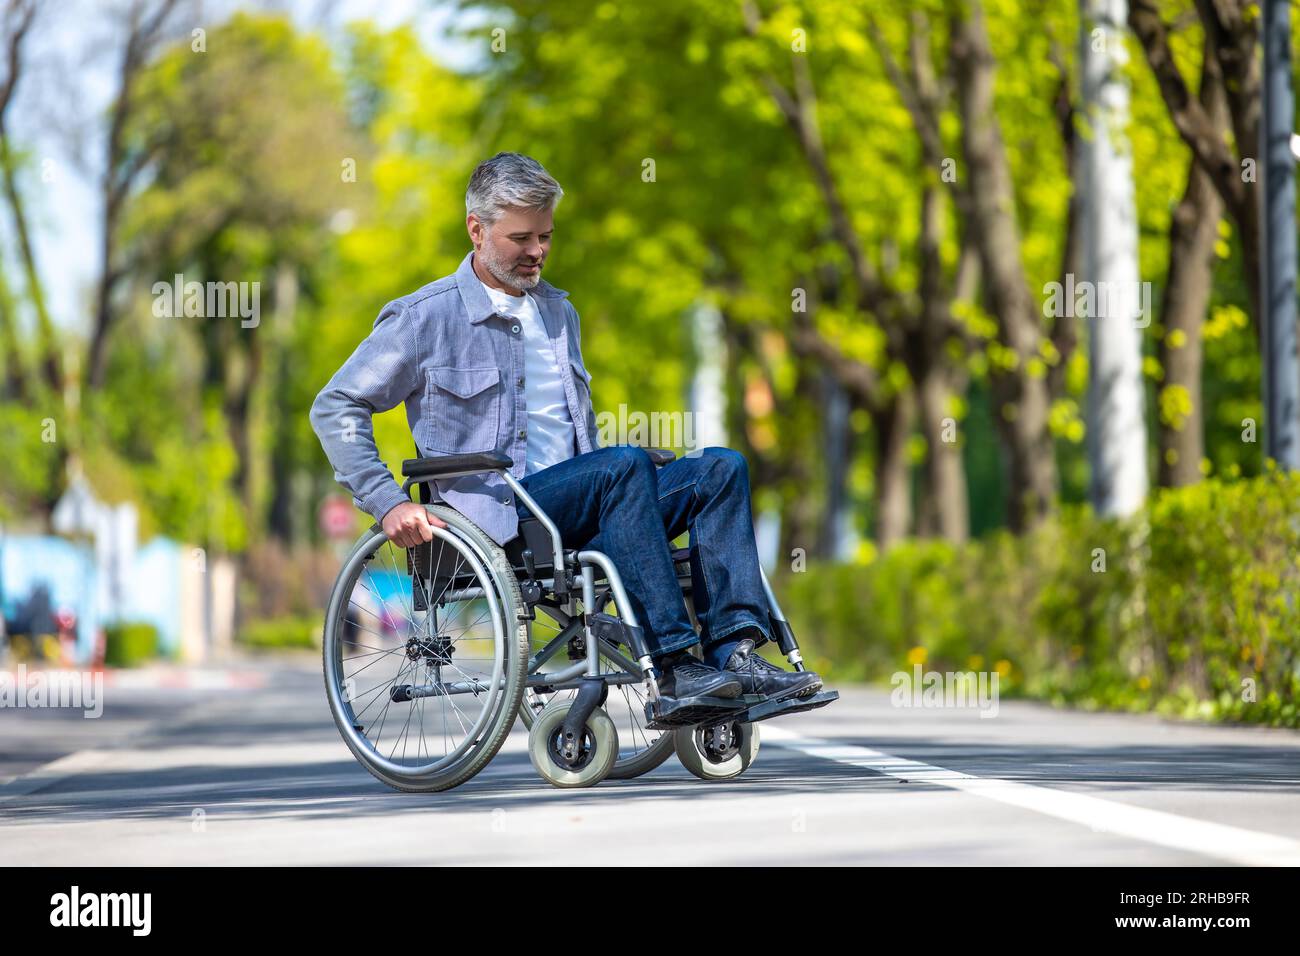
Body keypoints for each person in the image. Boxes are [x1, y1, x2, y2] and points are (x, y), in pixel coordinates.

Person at [310, 151, 821, 704]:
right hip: (498, 517)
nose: (538, 251)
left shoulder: (560, 314)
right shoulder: (423, 318)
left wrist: (620, 466)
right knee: (621, 467)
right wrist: (387, 502)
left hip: (586, 501)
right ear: (476, 230)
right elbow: (335, 405)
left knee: (722, 467)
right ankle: (674, 667)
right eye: (522, 238)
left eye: (546, 236)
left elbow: (579, 439)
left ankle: (735, 655)